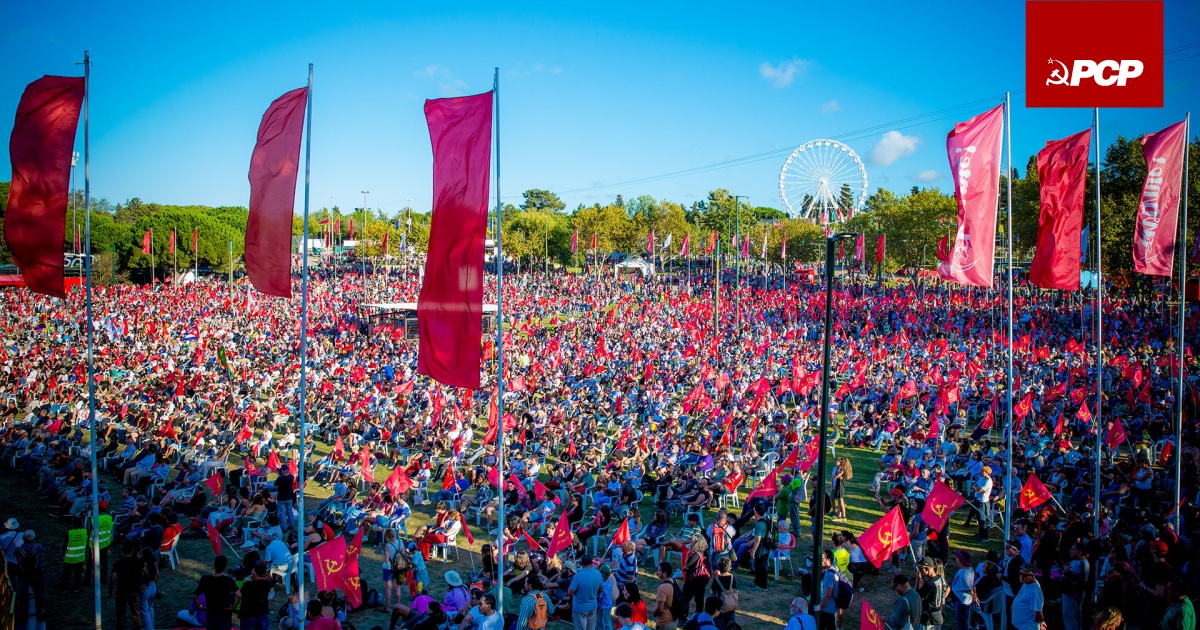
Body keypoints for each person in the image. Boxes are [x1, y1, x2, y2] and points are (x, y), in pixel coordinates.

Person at [192, 555, 239, 630]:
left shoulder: (206, 579)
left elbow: (195, 595)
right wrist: (233, 607)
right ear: (225, 566)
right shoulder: (229, 580)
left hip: (211, 613)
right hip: (224, 614)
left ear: (214, 565)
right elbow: (239, 595)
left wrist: (200, 607)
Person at [111, 543, 145, 630]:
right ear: (133, 550)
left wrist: (110, 590)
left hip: (121, 591)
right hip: (134, 590)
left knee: (120, 614)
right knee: (136, 614)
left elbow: (112, 578)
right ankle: (138, 628)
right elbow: (146, 574)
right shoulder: (138, 561)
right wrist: (144, 584)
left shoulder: (118, 563)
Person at [568, 554, 604, 630]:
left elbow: (570, 592)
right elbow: (601, 589)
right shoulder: (598, 574)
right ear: (592, 563)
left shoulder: (578, 576)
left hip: (580, 608)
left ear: (581, 563)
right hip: (593, 606)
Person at [1060, 543, 1089, 630]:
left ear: (1080, 552)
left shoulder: (1080, 564)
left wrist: (1067, 572)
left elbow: (1068, 574)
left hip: (1072, 596)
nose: (1070, 551)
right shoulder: (1077, 562)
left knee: (1070, 618)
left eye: (1073, 550)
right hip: (1070, 595)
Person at [914, 558, 945, 630]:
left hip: (928, 617)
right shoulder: (940, 578)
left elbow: (916, 597)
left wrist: (917, 580)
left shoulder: (929, 584)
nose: (919, 571)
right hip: (938, 615)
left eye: (920, 569)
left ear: (927, 568)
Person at [948, 550, 974, 630]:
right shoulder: (968, 569)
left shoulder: (964, 574)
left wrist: (974, 596)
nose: (956, 558)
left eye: (958, 557)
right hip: (959, 597)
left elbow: (969, 588)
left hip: (963, 600)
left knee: (962, 622)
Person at [654, 561, 683, 630]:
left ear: (664, 573)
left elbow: (660, 608)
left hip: (664, 623)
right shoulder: (672, 581)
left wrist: (654, 613)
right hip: (673, 620)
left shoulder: (663, 587)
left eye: (659, 570)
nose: (657, 572)